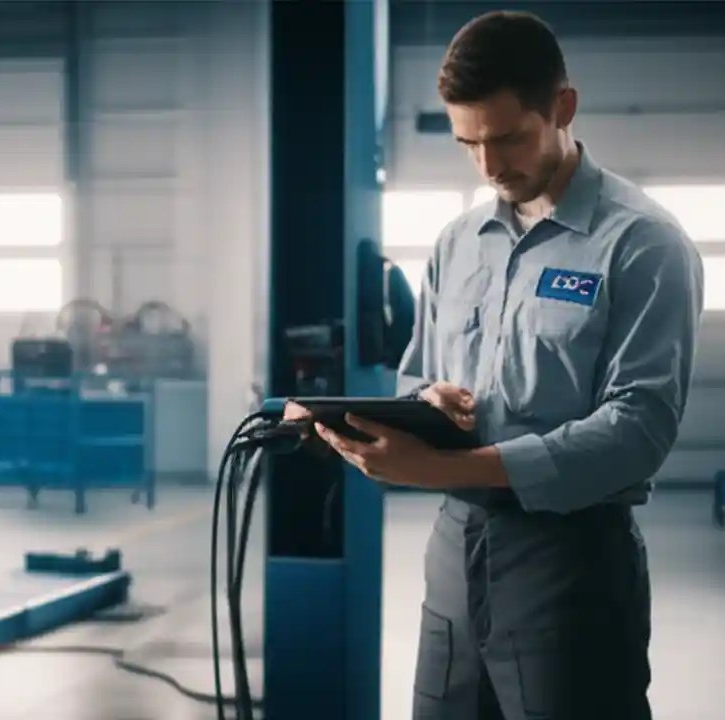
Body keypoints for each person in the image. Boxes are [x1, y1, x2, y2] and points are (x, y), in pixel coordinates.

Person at [285, 10, 703, 720]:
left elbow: (638, 430)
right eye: (466, 142)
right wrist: (430, 402)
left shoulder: (643, 244)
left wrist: (446, 469)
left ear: (561, 108)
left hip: (569, 561)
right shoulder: (457, 243)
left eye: (507, 138)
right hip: (454, 554)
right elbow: (416, 372)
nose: (488, 165)